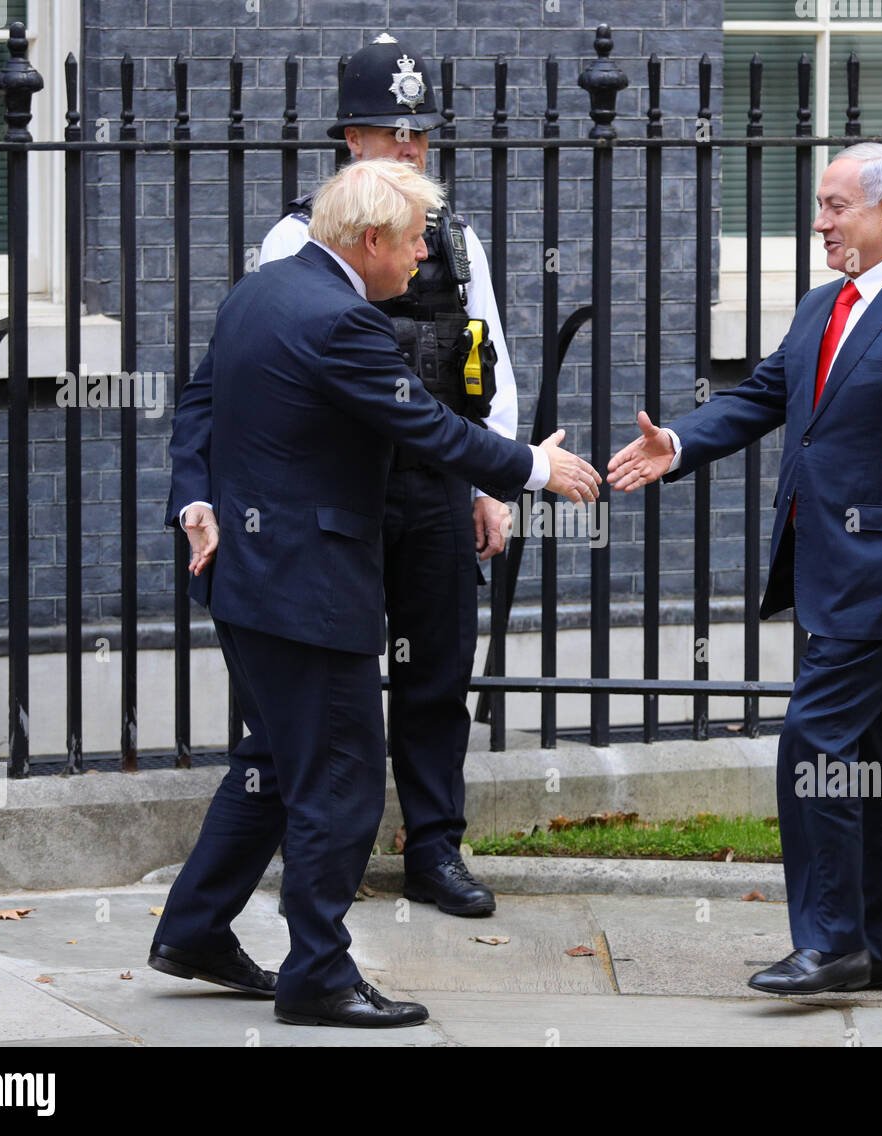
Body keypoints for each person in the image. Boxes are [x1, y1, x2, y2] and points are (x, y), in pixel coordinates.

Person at [149, 158, 600, 1028]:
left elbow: (201, 398)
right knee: (343, 781)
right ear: (366, 242)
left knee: (275, 766)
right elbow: (423, 423)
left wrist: (196, 501)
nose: (425, 253)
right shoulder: (343, 321)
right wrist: (533, 466)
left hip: (247, 579)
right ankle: (318, 972)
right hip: (308, 590)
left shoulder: (262, 290)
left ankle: (195, 928)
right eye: (412, 238)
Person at [607, 143, 882, 996]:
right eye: (821, 207)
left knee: (814, 741)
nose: (820, 222)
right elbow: (767, 395)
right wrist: (679, 443)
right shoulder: (822, 305)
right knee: (870, 750)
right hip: (830, 564)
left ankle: (832, 943)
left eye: (836, 206)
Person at [258, 33, 516, 917]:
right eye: (387, 134)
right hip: (341, 491)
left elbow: (490, 356)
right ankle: (322, 847)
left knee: (438, 670)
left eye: (419, 137)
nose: (408, 150)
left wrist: (491, 485)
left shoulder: (455, 237)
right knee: (330, 675)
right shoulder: (299, 237)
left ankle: (435, 850)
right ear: (350, 142)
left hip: (437, 482)